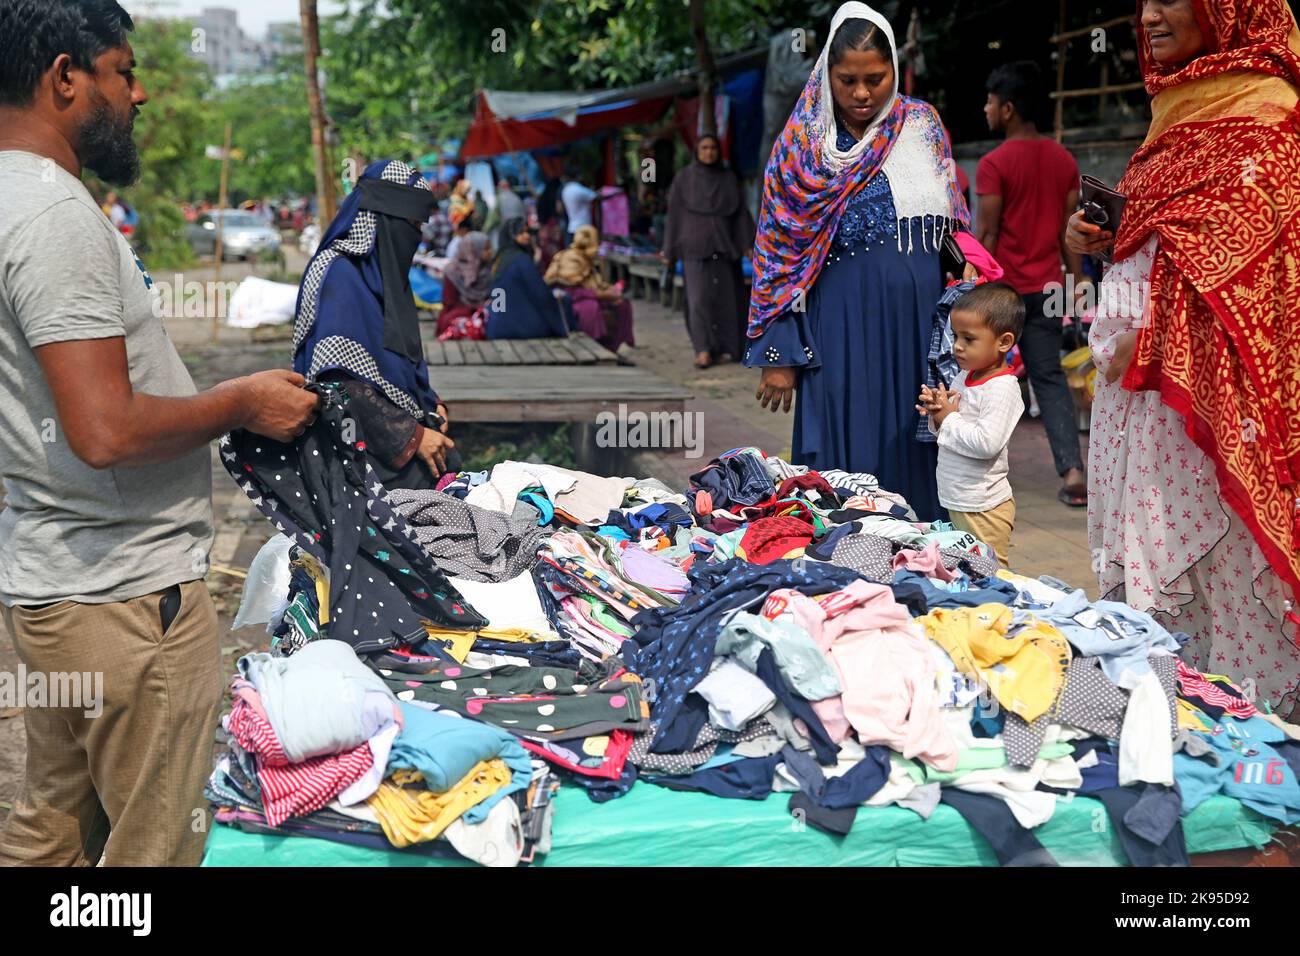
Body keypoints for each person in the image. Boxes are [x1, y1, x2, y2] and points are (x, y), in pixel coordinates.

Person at [0, 0, 318, 867]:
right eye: (124, 71)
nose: (139, 94)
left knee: (51, 836)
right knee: (153, 853)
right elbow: (104, 429)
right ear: (65, 77)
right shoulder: (53, 219)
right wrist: (242, 401)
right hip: (125, 599)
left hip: (54, 587)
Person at [1067, 0, 1300, 719]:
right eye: (1146, 1)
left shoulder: (1270, 119)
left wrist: (1160, 333)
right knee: (1154, 564)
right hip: (1140, 399)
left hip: (1211, 407)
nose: (1150, 14)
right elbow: (1169, 237)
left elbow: (1260, 278)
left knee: (1217, 567)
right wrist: (1102, 241)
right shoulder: (1176, 109)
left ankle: (1248, 745)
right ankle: (1173, 726)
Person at [744, 2, 972, 521]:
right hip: (840, 327)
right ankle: (847, 563)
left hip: (920, 325)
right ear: (828, 73)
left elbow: (954, 225)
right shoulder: (803, 145)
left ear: (895, 69)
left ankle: (918, 560)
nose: (863, 93)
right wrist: (778, 350)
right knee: (847, 463)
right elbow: (777, 250)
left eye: (876, 78)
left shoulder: (922, 124)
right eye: (848, 80)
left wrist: (973, 282)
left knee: (917, 437)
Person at [292, 158, 457, 490]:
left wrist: (431, 402)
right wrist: (413, 437)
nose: (416, 235)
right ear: (385, 219)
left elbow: (396, 360)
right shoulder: (341, 274)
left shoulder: (384, 276)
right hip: (358, 459)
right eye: (411, 223)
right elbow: (339, 383)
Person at [975, 61, 1088, 507]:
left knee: (983, 376)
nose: (985, 109)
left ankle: (980, 474)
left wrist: (969, 288)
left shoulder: (993, 163)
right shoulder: (1063, 159)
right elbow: (1071, 229)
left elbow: (986, 235)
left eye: (989, 102)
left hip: (1002, 292)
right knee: (1048, 378)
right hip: (1045, 289)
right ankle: (1074, 472)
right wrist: (1079, 282)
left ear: (1008, 109)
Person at [917, 283, 1026, 568]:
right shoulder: (964, 376)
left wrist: (948, 418)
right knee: (967, 568)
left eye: (969, 338)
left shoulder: (1002, 389)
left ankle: (999, 612)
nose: (957, 346)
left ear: (1003, 342)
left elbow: (986, 444)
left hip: (984, 506)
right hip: (960, 498)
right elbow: (952, 429)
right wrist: (936, 413)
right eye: (955, 336)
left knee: (991, 571)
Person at [664, 132, 756, 369]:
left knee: (728, 300)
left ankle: (727, 348)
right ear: (697, 151)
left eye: (713, 148)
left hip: (725, 246)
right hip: (694, 246)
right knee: (698, 300)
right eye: (704, 148)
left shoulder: (727, 179)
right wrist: (669, 249)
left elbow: (740, 214)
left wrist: (748, 243)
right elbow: (674, 215)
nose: (709, 152)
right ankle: (703, 349)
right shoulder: (684, 179)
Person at [544, 223, 635, 357]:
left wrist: (608, 291)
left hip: (584, 294)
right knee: (590, 308)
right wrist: (599, 294)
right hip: (569, 298)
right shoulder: (571, 257)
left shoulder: (586, 258)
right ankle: (592, 350)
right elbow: (568, 287)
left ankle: (611, 349)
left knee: (622, 304)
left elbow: (594, 283)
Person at [485, 217, 568, 340]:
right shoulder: (521, 260)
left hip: (496, 327)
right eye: (520, 232)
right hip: (521, 329)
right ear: (511, 235)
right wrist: (560, 327)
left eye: (527, 232)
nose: (527, 236)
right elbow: (541, 295)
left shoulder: (499, 259)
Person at [437, 230, 492, 341]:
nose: (490, 252)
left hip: (481, 314)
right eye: (486, 249)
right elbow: (448, 303)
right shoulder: (453, 271)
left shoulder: (487, 269)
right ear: (473, 251)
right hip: (456, 315)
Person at [535, 175, 565, 272]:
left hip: (544, 230)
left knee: (546, 257)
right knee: (557, 254)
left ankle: (547, 275)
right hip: (554, 227)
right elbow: (559, 211)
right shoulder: (556, 197)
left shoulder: (542, 198)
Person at [560, 171, 598, 239]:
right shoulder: (578, 189)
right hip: (583, 227)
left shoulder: (565, 189)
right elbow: (594, 197)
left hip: (572, 227)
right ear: (578, 176)